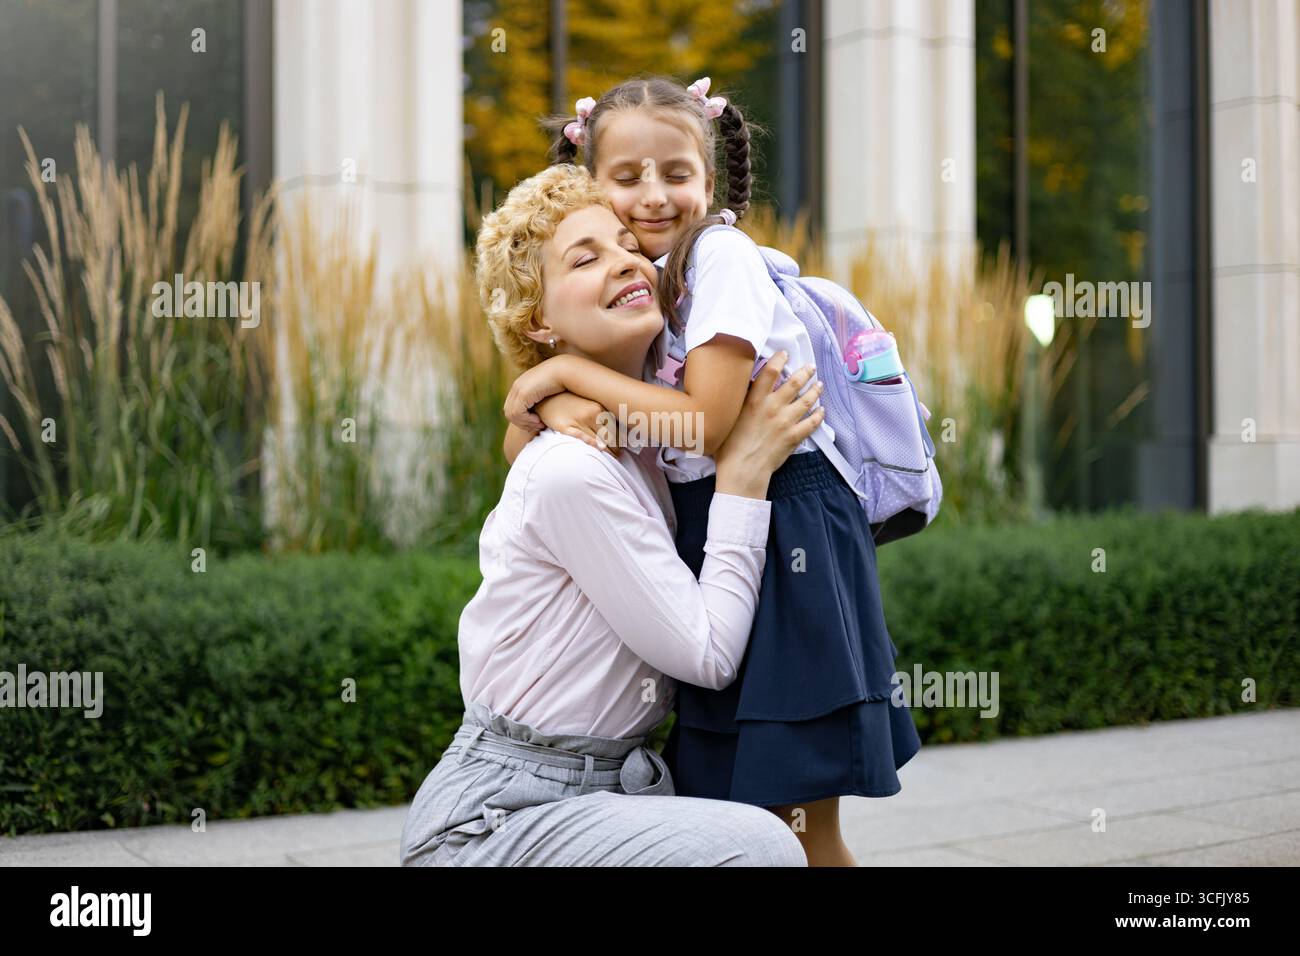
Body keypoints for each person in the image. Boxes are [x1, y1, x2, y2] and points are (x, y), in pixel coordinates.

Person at [501, 76, 921, 867]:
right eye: (626, 179)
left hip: (789, 538)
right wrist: (554, 402)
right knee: (731, 804)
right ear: (592, 182)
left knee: (799, 823)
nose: (653, 197)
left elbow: (705, 421)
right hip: (727, 532)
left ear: (710, 178)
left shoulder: (721, 257)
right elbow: (531, 449)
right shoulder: (642, 285)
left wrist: (565, 380)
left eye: (676, 173)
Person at [399, 163, 824, 866]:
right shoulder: (570, 465)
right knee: (761, 850)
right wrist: (744, 473)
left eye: (631, 245)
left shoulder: (633, 440)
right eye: (585, 256)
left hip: (603, 796)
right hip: (496, 821)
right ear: (537, 317)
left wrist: (562, 389)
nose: (626, 260)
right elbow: (709, 656)